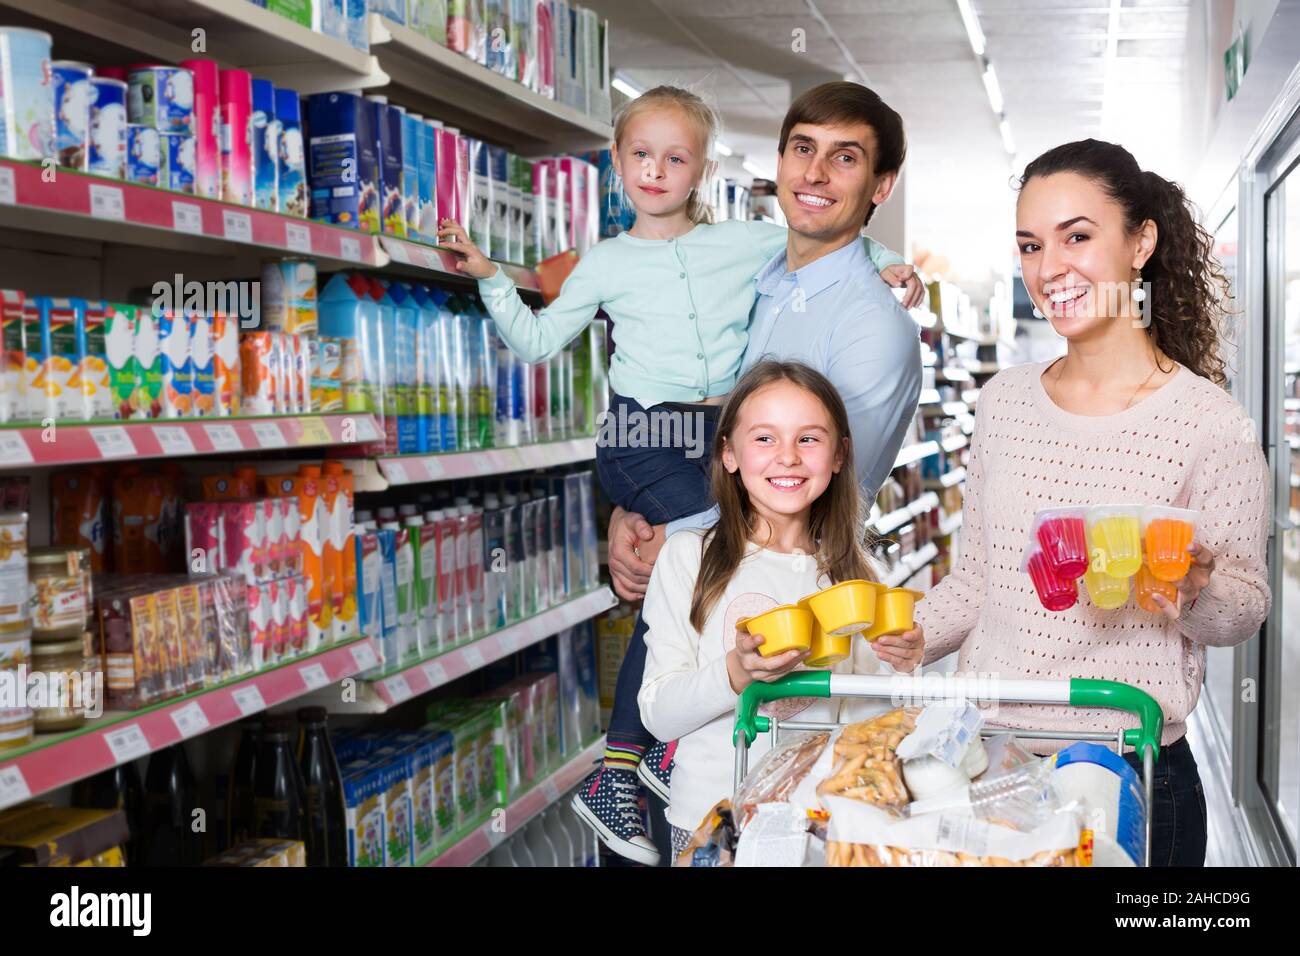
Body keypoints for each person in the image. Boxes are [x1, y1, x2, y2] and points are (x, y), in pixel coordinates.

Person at [445, 82, 925, 864]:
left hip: (763, 689)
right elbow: (568, 359)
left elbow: (815, 501)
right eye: (803, 149)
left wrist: (672, 537)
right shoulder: (766, 273)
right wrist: (631, 514)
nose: (816, 172)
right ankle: (626, 771)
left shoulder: (860, 316)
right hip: (659, 477)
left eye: (846, 158)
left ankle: (623, 767)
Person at [900, 139, 1271, 867]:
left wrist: (1194, 583)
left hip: (1133, 772)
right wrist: (904, 639)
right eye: (1031, 245)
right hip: (988, 767)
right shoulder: (1002, 402)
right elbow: (980, 581)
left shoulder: (1209, 422)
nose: (1049, 269)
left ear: (1141, 242)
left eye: (1077, 236)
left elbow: (1245, 608)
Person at [637, 360, 924, 858]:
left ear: (839, 456)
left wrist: (900, 664)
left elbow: (867, 721)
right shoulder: (689, 558)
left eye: (809, 439)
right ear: (729, 453)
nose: (787, 457)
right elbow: (659, 716)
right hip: (712, 820)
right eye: (765, 439)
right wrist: (736, 671)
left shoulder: (855, 581)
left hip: (818, 825)